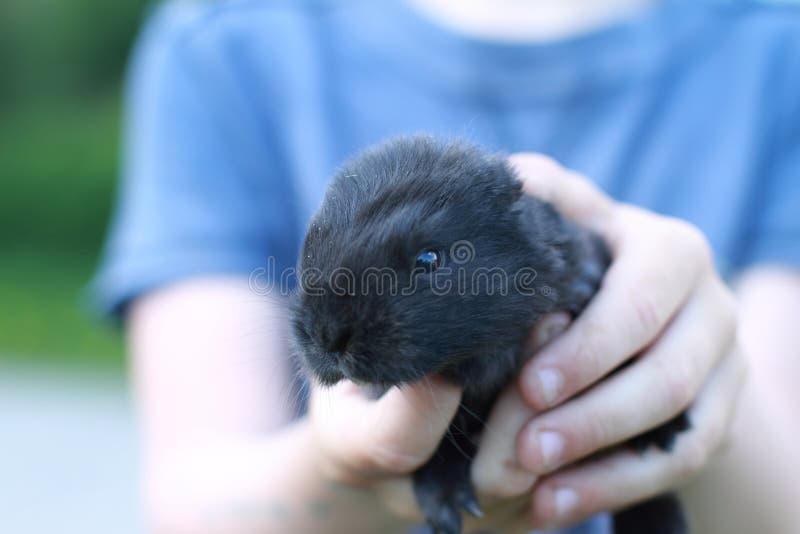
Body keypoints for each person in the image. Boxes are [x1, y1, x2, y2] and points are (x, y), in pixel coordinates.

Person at [93, 0, 800, 532]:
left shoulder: (776, 48)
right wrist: (342, 470)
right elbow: (192, 503)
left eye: (426, 260)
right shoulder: (222, 41)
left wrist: (695, 404)